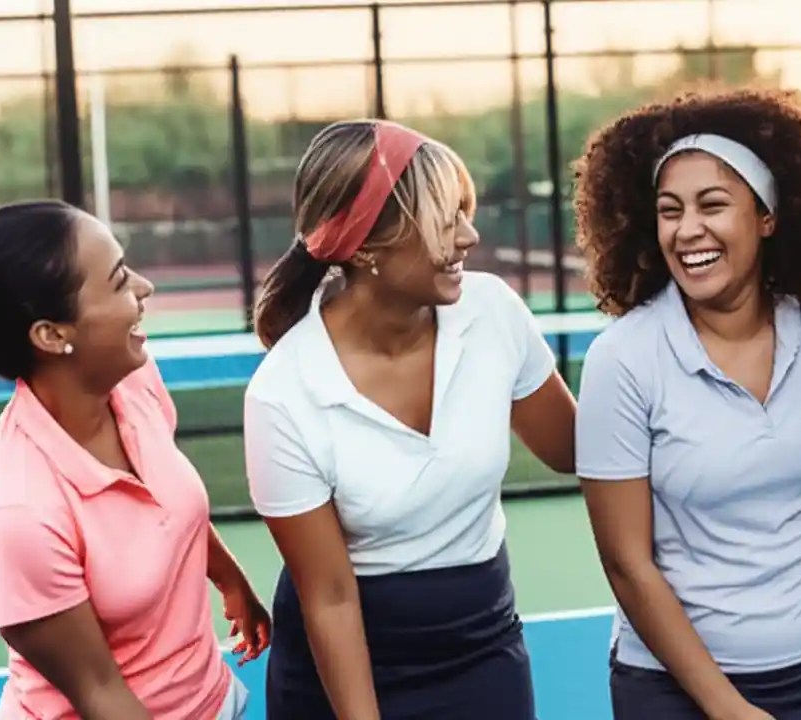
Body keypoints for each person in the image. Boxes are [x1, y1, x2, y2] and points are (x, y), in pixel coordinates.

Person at [242, 119, 577, 720]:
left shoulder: (494, 311)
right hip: (345, 664)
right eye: (446, 219)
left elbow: (574, 448)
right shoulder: (283, 394)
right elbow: (331, 597)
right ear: (365, 245)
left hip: (482, 645)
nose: (470, 236)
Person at [572, 86, 801, 720]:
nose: (688, 230)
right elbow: (627, 564)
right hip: (677, 692)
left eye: (714, 205)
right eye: (670, 210)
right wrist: (724, 705)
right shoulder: (623, 358)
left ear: (765, 217)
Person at [0, 200, 270, 719]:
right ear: (52, 334)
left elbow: (164, 506)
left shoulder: (134, 381)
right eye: (119, 281)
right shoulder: (18, 512)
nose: (145, 287)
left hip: (207, 701)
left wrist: (229, 578)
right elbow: (100, 693)